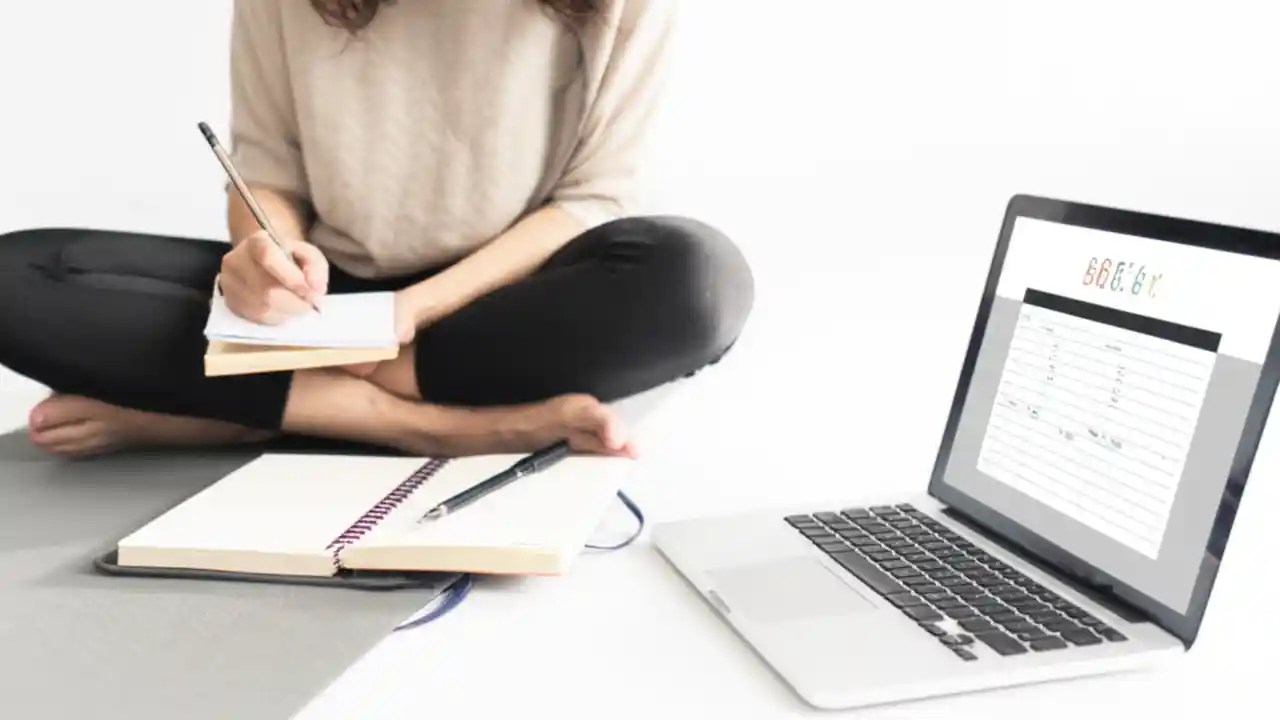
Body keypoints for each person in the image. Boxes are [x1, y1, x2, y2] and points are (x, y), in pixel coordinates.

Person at [0, 0, 753, 459]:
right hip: (329, 305)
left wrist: (412, 312)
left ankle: (235, 414)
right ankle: (423, 428)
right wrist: (263, 251)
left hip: (502, 306)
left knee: (698, 282)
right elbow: (268, 170)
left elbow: (597, 196)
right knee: (16, 277)